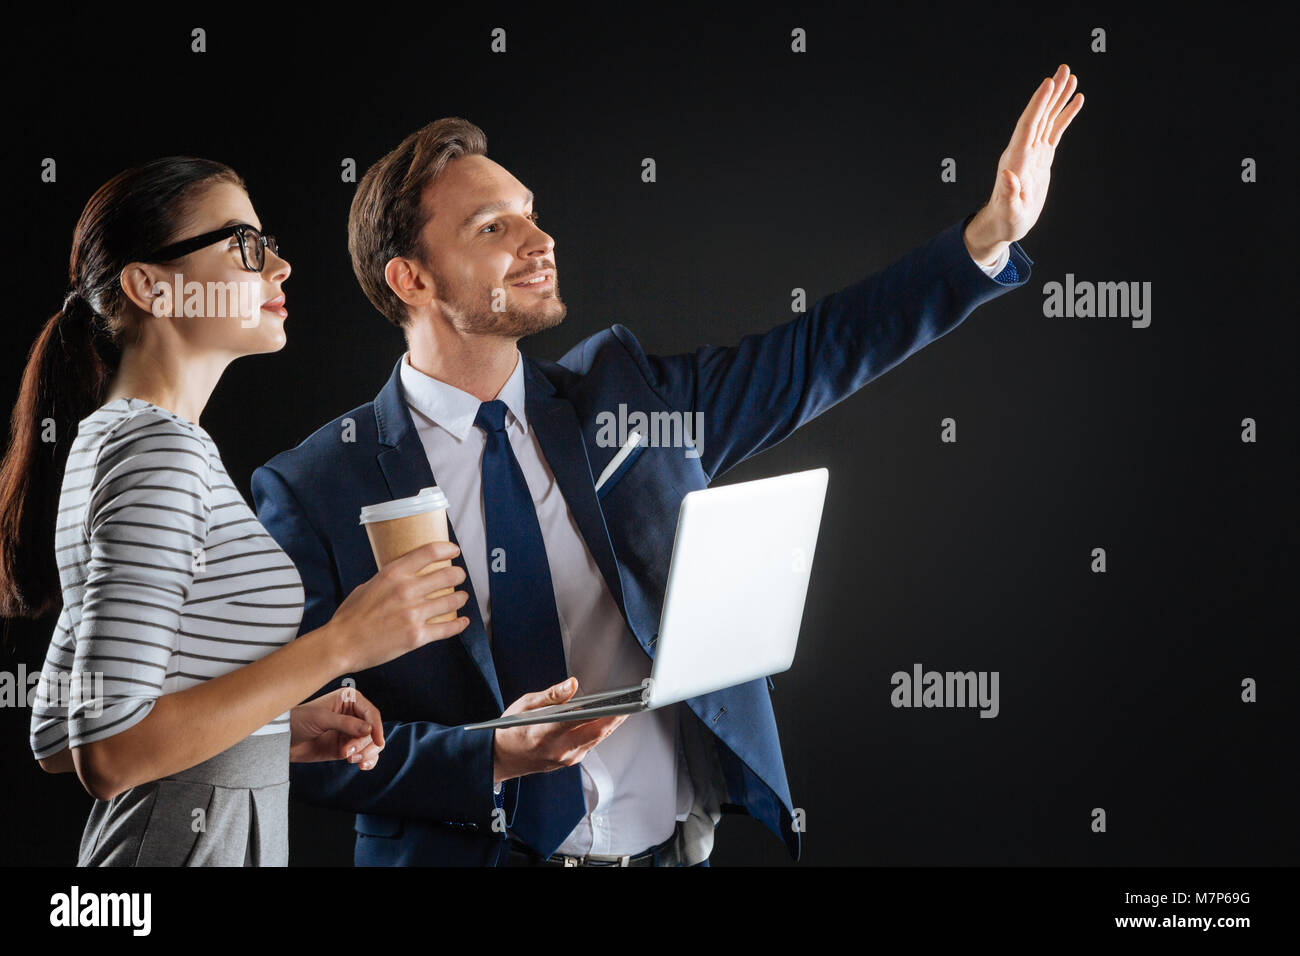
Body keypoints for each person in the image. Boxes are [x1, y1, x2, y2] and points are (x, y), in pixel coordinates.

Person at [253, 65, 1083, 866]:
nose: (541, 242)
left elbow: (819, 352)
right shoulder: (320, 485)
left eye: (531, 215)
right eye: (493, 229)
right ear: (411, 278)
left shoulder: (627, 401)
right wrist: (494, 757)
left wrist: (986, 239)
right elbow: (292, 743)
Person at [0, 157, 473, 866]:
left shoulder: (123, 436)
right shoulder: (156, 453)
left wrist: (275, 729)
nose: (279, 266)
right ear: (150, 287)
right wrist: (343, 644)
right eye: (244, 246)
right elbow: (107, 753)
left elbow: (55, 734)